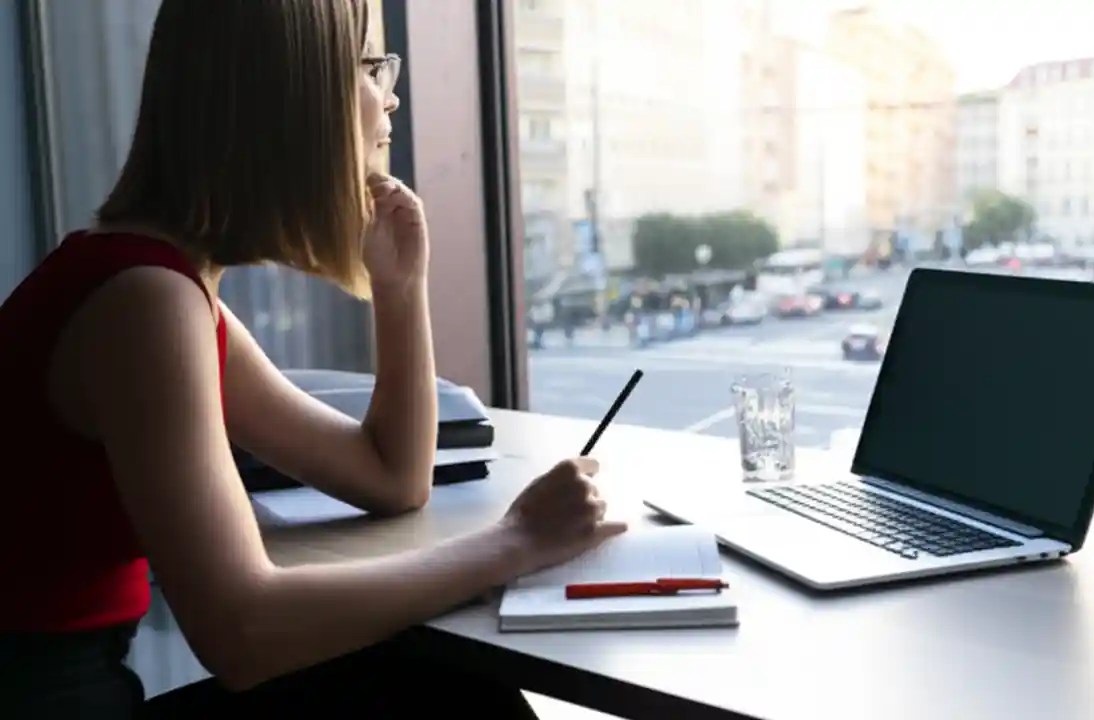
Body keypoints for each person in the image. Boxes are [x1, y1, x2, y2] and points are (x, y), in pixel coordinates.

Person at [0, 1, 626, 717]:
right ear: (295, 97)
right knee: (450, 694)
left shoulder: (154, 285)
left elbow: (391, 477)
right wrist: (516, 542)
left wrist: (400, 289)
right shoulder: (145, 303)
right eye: (369, 66)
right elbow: (243, 631)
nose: (390, 95)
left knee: (440, 684)